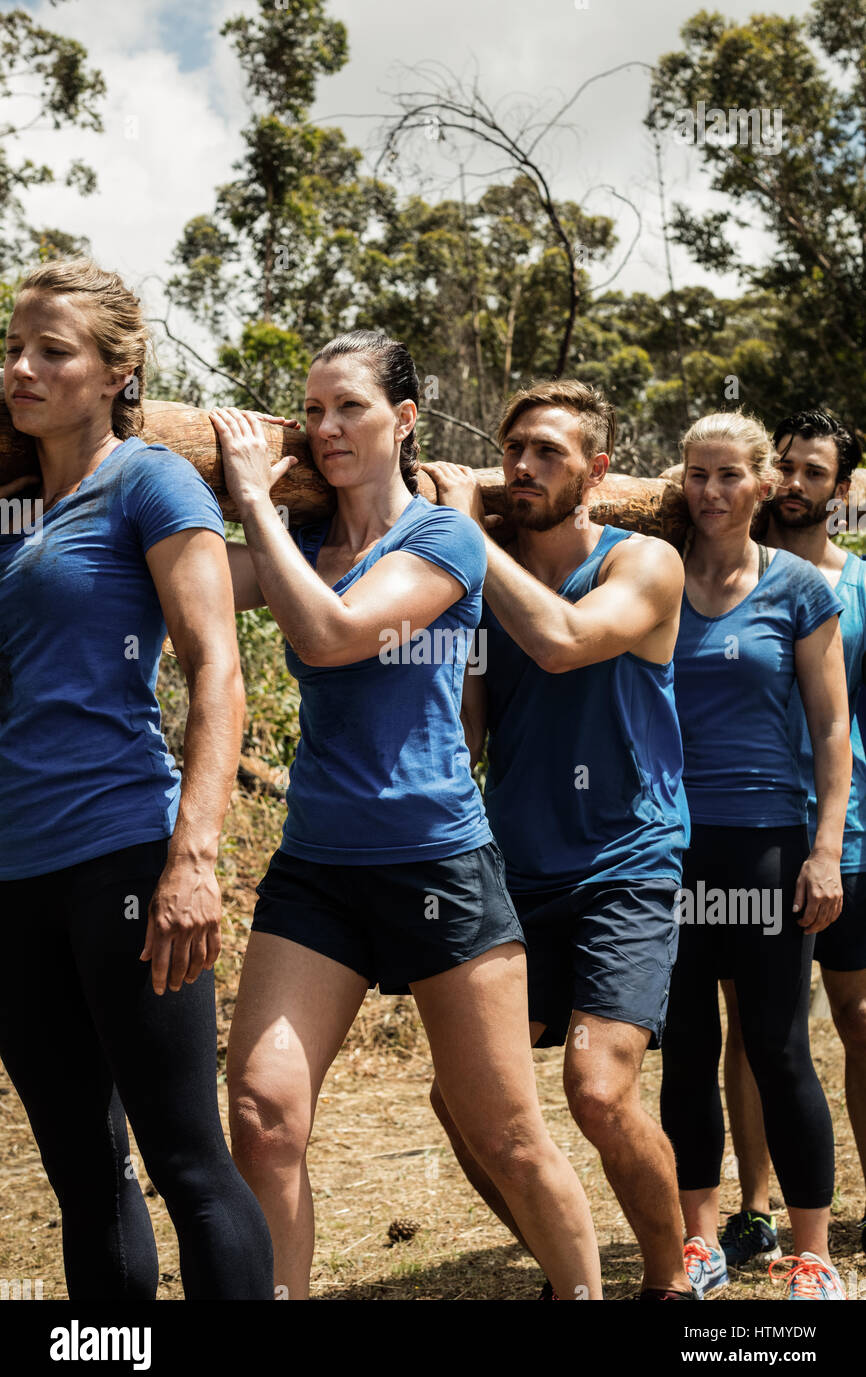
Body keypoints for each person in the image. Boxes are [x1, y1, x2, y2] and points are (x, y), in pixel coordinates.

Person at [213, 331, 602, 1301]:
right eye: (311, 411)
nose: (326, 426)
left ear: (404, 418)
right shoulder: (298, 542)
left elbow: (334, 631)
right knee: (262, 1116)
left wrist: (253, 497)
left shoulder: (443, 539)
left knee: (505, 1137)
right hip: (316, 869)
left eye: (348, 405)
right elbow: (183, 583)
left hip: (434, 866)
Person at [0, 258, 274, 1299]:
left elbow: (216, 668)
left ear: (118, 372)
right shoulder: (18, 505)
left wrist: (193, 859)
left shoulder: (148, 479)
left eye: (50, 351)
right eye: (13, 346)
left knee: (185, 1159)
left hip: (123, 846)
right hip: (14, 873)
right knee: (83, 1170)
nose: (19, 367)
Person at [423, 378, 696, 1301]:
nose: (525, 467)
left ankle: (668, 1284)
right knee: (460, 1102)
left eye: (549, 452)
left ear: (598, 470)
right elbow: (469, 720)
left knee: (598, 1092)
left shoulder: (645, 564)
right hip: (516, 867)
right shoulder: (484, 565)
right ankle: (565, 1269)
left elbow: (565, 642)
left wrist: (468, 531)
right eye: (515, 451)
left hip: (629, 863)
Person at [660, 410, 851, 1300]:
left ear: (763, 484)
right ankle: (700, 1242)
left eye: (729, 475)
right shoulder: (650, 575)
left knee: (775, 1046)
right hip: (665, 845)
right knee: (689, 1046)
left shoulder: (800, 590)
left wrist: (823, 849)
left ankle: (814, 1252)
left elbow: (831, 727)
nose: (710, 493)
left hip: (769, 845)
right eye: (697, 475)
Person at [718, 410, 866, 1268]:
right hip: (750, 833)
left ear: (841, 490)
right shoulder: (718, 564)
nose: (800, 485)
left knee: (857, 1015)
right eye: (789, 468)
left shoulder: (857, 588)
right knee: (755, 1024)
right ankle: (754, 1207)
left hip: (846, 833)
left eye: (820, 473)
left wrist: (839, 825)